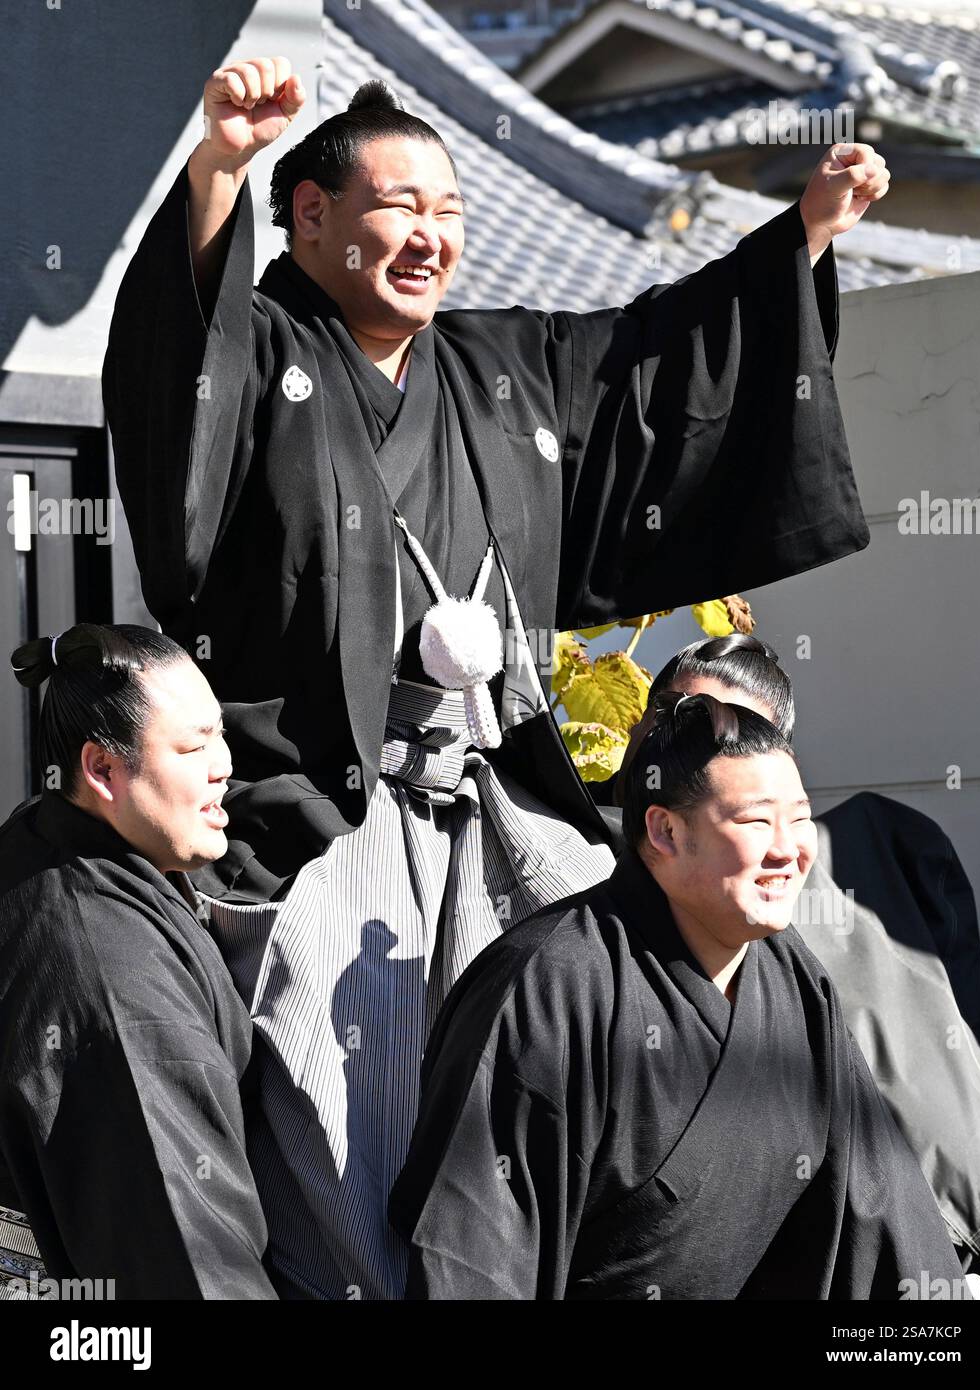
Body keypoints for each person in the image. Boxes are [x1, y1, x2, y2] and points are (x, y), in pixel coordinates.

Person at [102, 54, 887, 1298]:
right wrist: (216, 174)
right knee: (330, 1060)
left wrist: (796, 240)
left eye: (453, 214)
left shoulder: (503, 367)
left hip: (503, 788)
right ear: (311, 217)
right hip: (322, 810)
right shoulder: (264, 354)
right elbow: (173, 370)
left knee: (590, 992)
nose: (434, 236)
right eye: (401, 206)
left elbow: (655, 356)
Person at [388, 692, 965, 1299]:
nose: (788, 850)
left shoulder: (798, 984)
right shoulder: (545, 989)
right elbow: (471, 1259)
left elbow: (882, 1210)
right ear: (664, 830)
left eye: (799, 818)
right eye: (754, 821)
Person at [589, 633, 980, 1281]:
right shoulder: (588, 879)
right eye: (671, 715)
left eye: (720, 730)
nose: (685, 744)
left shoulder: (862, 864)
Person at [0, 625, 276, 1299]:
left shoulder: (40, 836)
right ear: (100, 770)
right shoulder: (113, 981)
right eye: (192, 746)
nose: (223, 765)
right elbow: (187, 1263)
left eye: (218, 733)